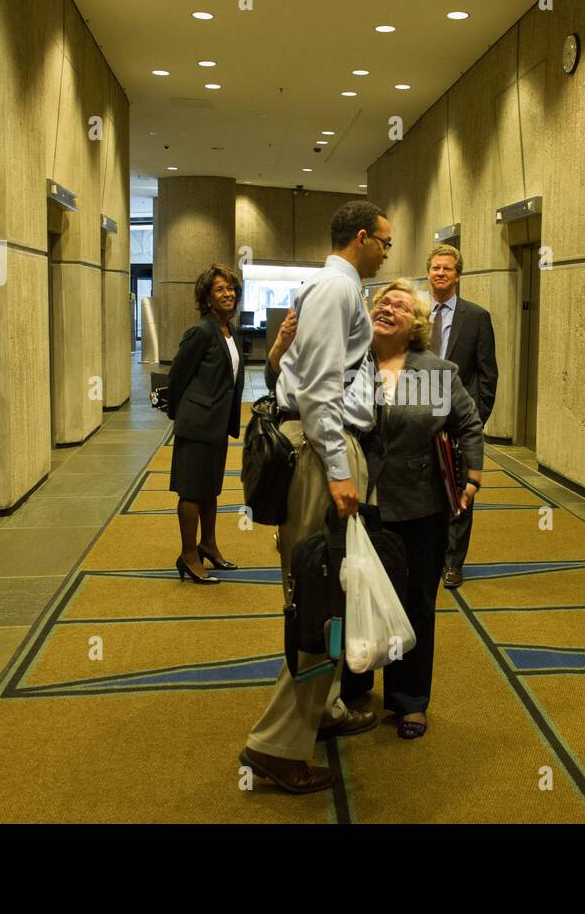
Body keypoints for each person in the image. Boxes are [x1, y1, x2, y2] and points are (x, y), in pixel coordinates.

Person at [239, 201, 392, 794]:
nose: (386, 250)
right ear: (361, 238)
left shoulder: (325, 288)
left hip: (320, 447)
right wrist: (336, 468)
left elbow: (290, 374)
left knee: (335, 588)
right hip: (323, 453)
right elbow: (323, 391)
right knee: (322, 592)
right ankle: (274, 745)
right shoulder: (336, 288)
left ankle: (323, 707)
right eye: (383, 241)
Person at [341, 279, 484, 738]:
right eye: (382, 302)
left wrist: (473, 479)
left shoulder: (435, 372)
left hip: (421, 507)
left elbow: (468, 425)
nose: (387, 309)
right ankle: (355, 681)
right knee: (354, 594)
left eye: (399, 306)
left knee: (415, 602)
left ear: (417, 324)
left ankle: (409, 699)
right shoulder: (351, 364)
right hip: (357, 504)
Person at [167, 265, 246, 584]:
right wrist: (183, 416)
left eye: (231, 289)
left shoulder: (230, 330)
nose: (228, 294)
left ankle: (208, 544)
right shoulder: (201, 331)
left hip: (217, 423)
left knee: (210, 489)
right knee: (190, 491)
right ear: (206, 297)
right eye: (219, 289)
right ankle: (188, 555)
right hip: (197, 424)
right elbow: (177, 377)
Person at [424, 244, 498, 588]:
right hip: (418, 416)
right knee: (424, 487)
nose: (441, 273)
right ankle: (429, 553)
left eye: (447, 269)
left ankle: (453, 563)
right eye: (436, 268)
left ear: (458, 275)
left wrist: (476, 419)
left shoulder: (477, 317)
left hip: (459, 419)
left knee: (461, 490)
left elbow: (488, 373)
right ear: (428, 273)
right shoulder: (415, 314)